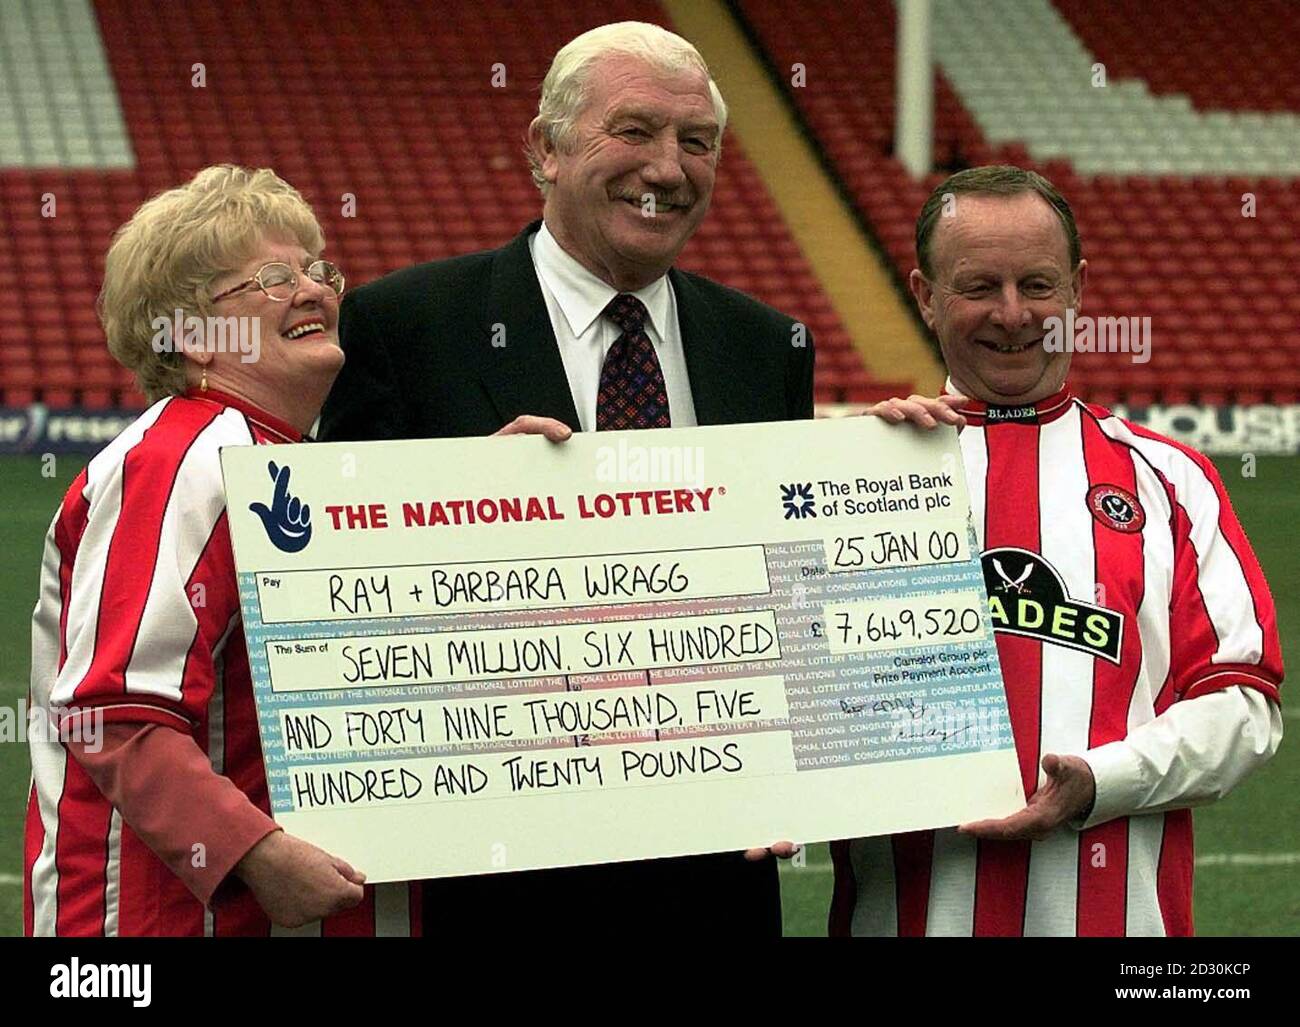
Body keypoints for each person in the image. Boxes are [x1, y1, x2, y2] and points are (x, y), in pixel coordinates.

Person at [318, 21, 818, 936]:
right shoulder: (404, 327)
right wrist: (451, 518)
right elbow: (333, 612)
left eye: (696, 141)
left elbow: (788, 594)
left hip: (714, 879)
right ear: (544, 149)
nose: (668, 169)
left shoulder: (766, 345)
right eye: (633, 132)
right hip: (490, 881)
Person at [831, 165, 1283, 936]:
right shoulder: (854, 476)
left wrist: (1101, 781)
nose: (1013, 314)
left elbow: (1244, 705)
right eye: (979, 286)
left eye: (1037, 285)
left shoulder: (1171, 479)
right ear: (924, 294)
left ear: (1076, 290)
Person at [24, 165, 419, 936]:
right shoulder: (184, 459)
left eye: (316, 269)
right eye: (270, 277)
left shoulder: (291, 462)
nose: (313, 289)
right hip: (163, 921)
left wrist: (488, 492)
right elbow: (116, 708)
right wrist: (257, 853)